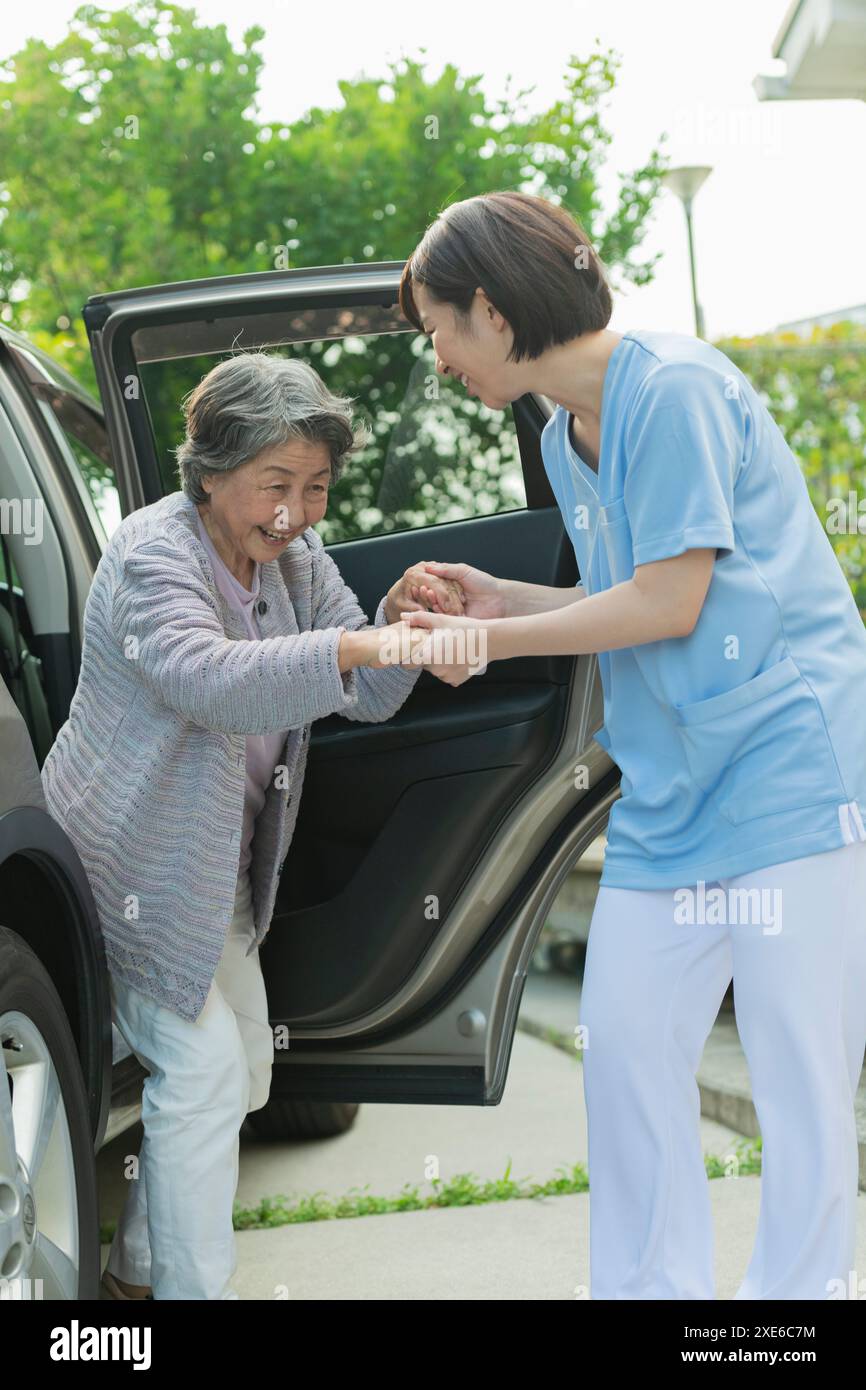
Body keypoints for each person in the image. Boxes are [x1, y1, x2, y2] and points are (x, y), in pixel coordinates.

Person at [397, 189, 866, 1300]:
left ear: (492, 313)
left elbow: (667, 603)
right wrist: (494, 598)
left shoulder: (680, 388)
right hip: (666, 800)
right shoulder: (566, 436)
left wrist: (491, 640)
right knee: (626, 1058)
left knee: (798, 1081)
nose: (439, 361)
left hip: (786, 778)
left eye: (438, 333)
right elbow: (620, 592)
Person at [40, 352, 464, 1300]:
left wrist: (399, 618)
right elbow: (207, 680)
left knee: (246, 1081)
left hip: (215, 874)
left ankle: (134, 1276)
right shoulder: (152, 554)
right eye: (276, 484)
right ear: (211, 467)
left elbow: (367, 692)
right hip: (126, 867)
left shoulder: (298, 561)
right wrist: (358, 642)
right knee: (201, 1079)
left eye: (315, 487)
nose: (297, 511)